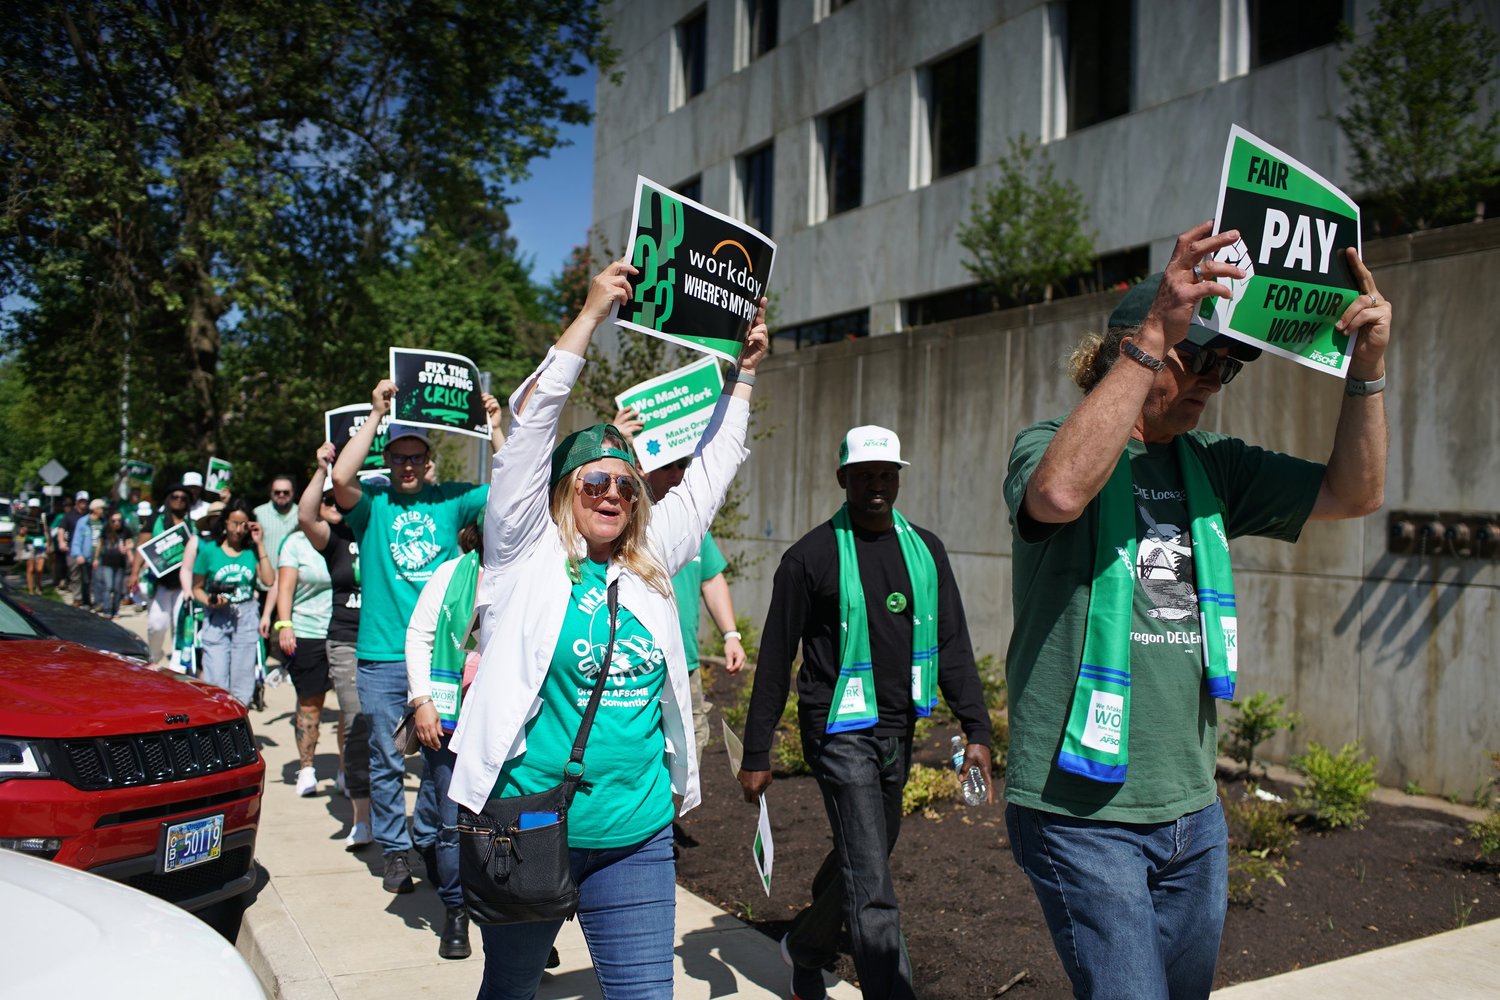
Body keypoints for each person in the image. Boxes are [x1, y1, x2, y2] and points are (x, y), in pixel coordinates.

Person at [1001, 222, 1390, 1000]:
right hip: (1080, 810)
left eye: (1227, 364)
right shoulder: (1046, 444)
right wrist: (1154, 336)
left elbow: (1355, 493)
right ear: (1129, 348)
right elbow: (1059, 493)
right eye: (1198, 355)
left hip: (1191, 811)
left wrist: (1369, 371)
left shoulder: (1213, 466)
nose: (1214, 376)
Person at [447, 258, 766, 1000]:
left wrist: (743, 376)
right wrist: (590, 316)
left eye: (626, 482)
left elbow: (714, 468)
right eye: (596, 480)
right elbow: (528, 432)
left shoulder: (653, 560)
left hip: (636, 836)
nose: (613, 492)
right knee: (513, 987)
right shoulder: (523, 555)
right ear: (564, 492)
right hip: (527, 824)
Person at [738, 425, 993, 1000]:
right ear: (842, 480)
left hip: (898, 727)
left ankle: (805, 944)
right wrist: (757, 752)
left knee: (868, 852)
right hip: (836, 727)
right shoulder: (809, 558)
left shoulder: (926, 550)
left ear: (898, 477)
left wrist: (976, 727)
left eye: (886, 474)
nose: (877, 485)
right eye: (864, 476)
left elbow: (953, 642)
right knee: (873, 879)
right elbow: (776, 658)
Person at [331, 381, 503, 896]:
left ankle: (426, 833)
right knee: (387, 758)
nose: (407, 465)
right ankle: (395, 850)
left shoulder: (450, 501)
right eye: (398, 457)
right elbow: (340, 476)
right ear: (387, 460)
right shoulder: (373, 506)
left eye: (416, 457)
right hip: (382, 656)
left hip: (442, 658)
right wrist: (376, 412)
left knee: (440, 761)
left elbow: (514, 483)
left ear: (428, 461)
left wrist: (495, 427)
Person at [405, 518, 486, 960]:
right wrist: (422, 702)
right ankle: (456, 912)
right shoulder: (451, 573)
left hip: (514, 724)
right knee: (453, 825)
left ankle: (515, 917)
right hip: (450, 720)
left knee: (512, 826)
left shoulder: (540, 568)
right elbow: (418, 635)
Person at [298, 443, 372, 849]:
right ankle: (362, 818)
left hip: (387, 640)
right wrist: (322, 469)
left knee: (384, 727)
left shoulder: (378, 525)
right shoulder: (337, 538)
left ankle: (371, 793)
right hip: (345, 640)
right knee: (357, 719)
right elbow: (305, 516)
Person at [275, 515, 337, 797]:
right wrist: (284, 624)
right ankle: (307, 767)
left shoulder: (349, 537)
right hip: (308, 631)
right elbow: (284, 588)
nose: (331, 508)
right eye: (325, 502)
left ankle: (347, 772)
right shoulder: (296, 543)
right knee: (310, 704)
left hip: (345, 631)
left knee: (351, 709)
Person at [191, 498, 273, 705]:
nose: (239, 529)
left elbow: (269, 580)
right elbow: (196, 588)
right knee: (216, 677)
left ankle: (239, 723)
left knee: (243, 680)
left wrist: (260, 543)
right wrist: (210, 602)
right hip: (217, 616)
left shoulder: (252, 552)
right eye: (234, 523)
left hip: (245, 615)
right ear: (225, 523)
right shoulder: (209, 551)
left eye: (244, 524)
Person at [128, 484, 194, 666]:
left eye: (183, 498)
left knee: (180, 625)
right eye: (175, 496)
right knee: (157, 624)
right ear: (168, 499)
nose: (179, 500)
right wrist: (134, 572)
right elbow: (142, 548)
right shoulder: (155, 519)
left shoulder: (192, 523)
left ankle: (179, 665)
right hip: (161, 583)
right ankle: (154, 656)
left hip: (184, 585)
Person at [91, 509, 134, 618]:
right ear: (110, 521)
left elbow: (131, 544)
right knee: (108, 587)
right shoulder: (106, 529)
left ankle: (115, 611)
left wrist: (127, 549)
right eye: (114, 521)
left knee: (117, 589)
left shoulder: (126, 530)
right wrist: (96, 558)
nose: (116, 523)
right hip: (106, 562)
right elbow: (99, 544)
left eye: (119, 520)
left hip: (120, 564)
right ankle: (107, 610)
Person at [69, 498, 105, 608]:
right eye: (101, 508)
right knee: (86, 580)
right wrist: (78, 554)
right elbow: (77, 539)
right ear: (95, 509)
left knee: (99, 580)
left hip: (100, 556)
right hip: (86, 555)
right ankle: (86, 602)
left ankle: (99, 602)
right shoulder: (83, 522)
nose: (103, 510)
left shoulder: (104, 522)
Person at [24, 498, 48, 595]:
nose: (34, 510)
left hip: (41, 543)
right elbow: (20, 535)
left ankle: (38, 585)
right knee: (30, 568)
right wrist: (23, 533)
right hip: (29, 543)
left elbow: (46, 530)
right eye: (32, 508)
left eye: (35, 508)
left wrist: (48, 542)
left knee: (39, 568)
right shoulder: (25, 518)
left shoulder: (42, 518)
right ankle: (30, 590)